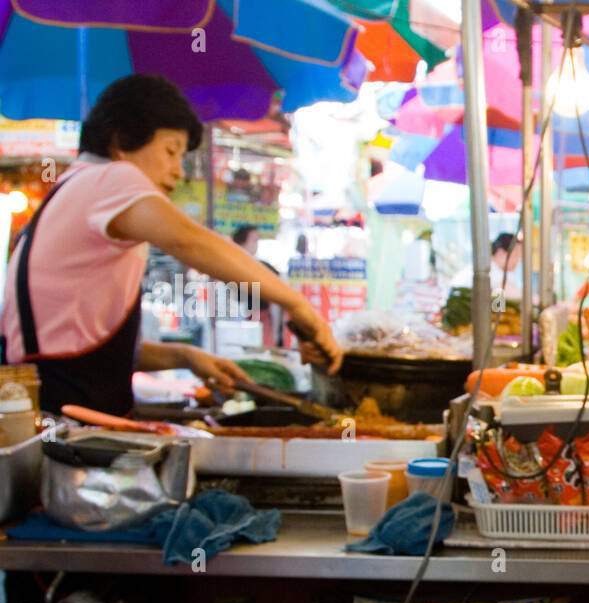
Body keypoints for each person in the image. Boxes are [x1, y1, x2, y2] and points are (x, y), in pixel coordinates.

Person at [0, 74, 341, 415]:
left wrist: (184, 356)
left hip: (52, 415)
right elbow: (190, 241)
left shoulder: (71, 189)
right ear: (122, 141)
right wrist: (298, 305)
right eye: (170, 151)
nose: (178, 173)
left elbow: (79, 346)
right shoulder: (111, 178)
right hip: (68, 428)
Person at [231, 224, 282, 348]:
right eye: (254, 240)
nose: (257, 244)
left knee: (263, 351)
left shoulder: (262, 266)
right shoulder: (230, 264)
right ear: (242, 242)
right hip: (236, 320)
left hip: (260, 317)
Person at [448, 232, 523, 302]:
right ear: (501, 253)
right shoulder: (489, 270)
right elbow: (512, 294)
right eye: (516, 255)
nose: (518, 260)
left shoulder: (487, 265)